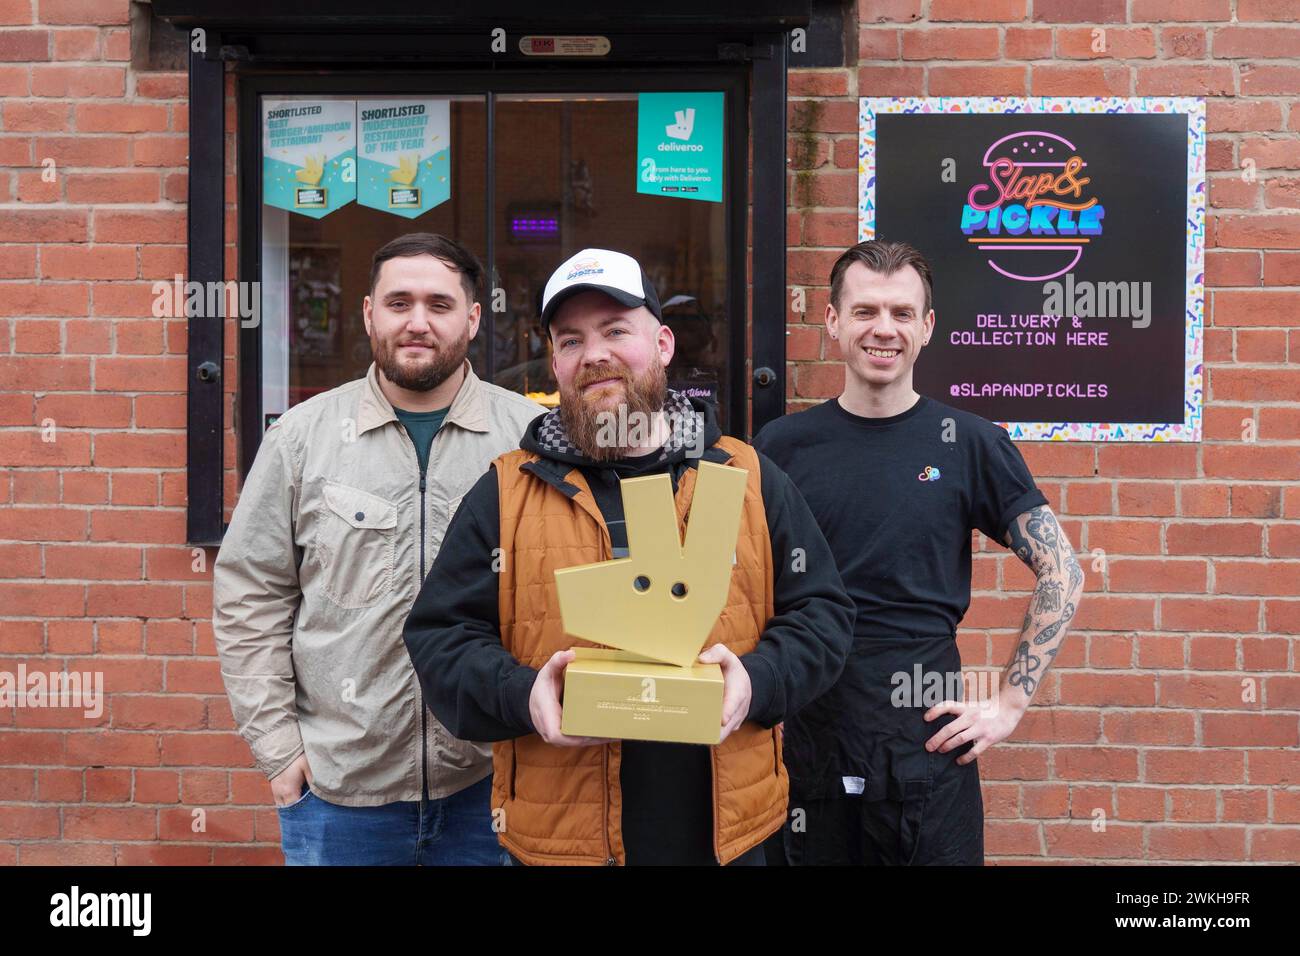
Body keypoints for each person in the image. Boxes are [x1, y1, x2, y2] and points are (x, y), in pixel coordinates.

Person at [403, 248, 854, 865]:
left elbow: (823, 615)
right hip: (565, 844)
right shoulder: (507, 491)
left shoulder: (747, 477)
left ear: (663, 343)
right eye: (570, 340)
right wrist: (525, 694)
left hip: (730, 839)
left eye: (617, 330)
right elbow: (440, 637)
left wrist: (757, 680)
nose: (594, 355)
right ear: (555, 361)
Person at [212, 233, 543, 865]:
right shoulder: (302, 439)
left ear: (473, 319)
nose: (418, 322)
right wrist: (280, 751)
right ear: (369, 314)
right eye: (399, 303)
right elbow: (250, 596)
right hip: (340, 798)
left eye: (440, 305)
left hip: (491, 788)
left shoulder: (525, 439)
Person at [754, 239, 1085, 865]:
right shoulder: (782, 447)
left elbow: (1063, 573)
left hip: (928, 750)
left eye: (902, 313)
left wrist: (1010, 704)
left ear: (927, 327)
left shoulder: (969, 442)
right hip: (810, 750)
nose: (885, 329)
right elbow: (738, 582)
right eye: (865, 311)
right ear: (832, 321)